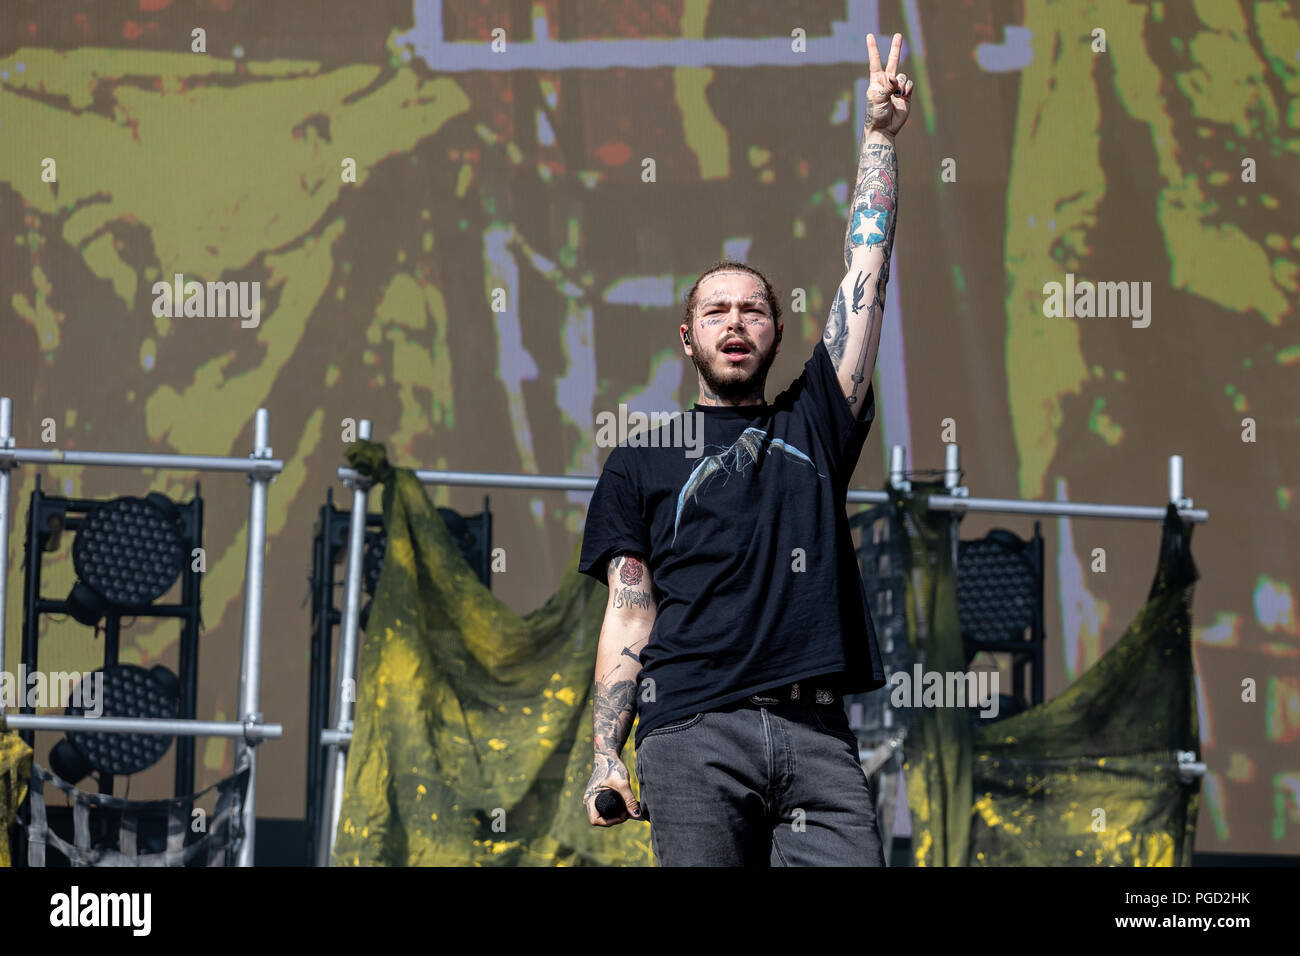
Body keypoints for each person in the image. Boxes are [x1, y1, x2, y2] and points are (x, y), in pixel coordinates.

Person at [578, 33, 913, 866]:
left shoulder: (814, 422)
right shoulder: (640, 463)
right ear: (686, 339)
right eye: (717, 311)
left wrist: (877, 138)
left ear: (779, 332)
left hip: (818, 736)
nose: (736, 322)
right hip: (691, 730)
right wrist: (604, 755)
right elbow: (629, 610)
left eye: (754, 309)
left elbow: (865, 273)